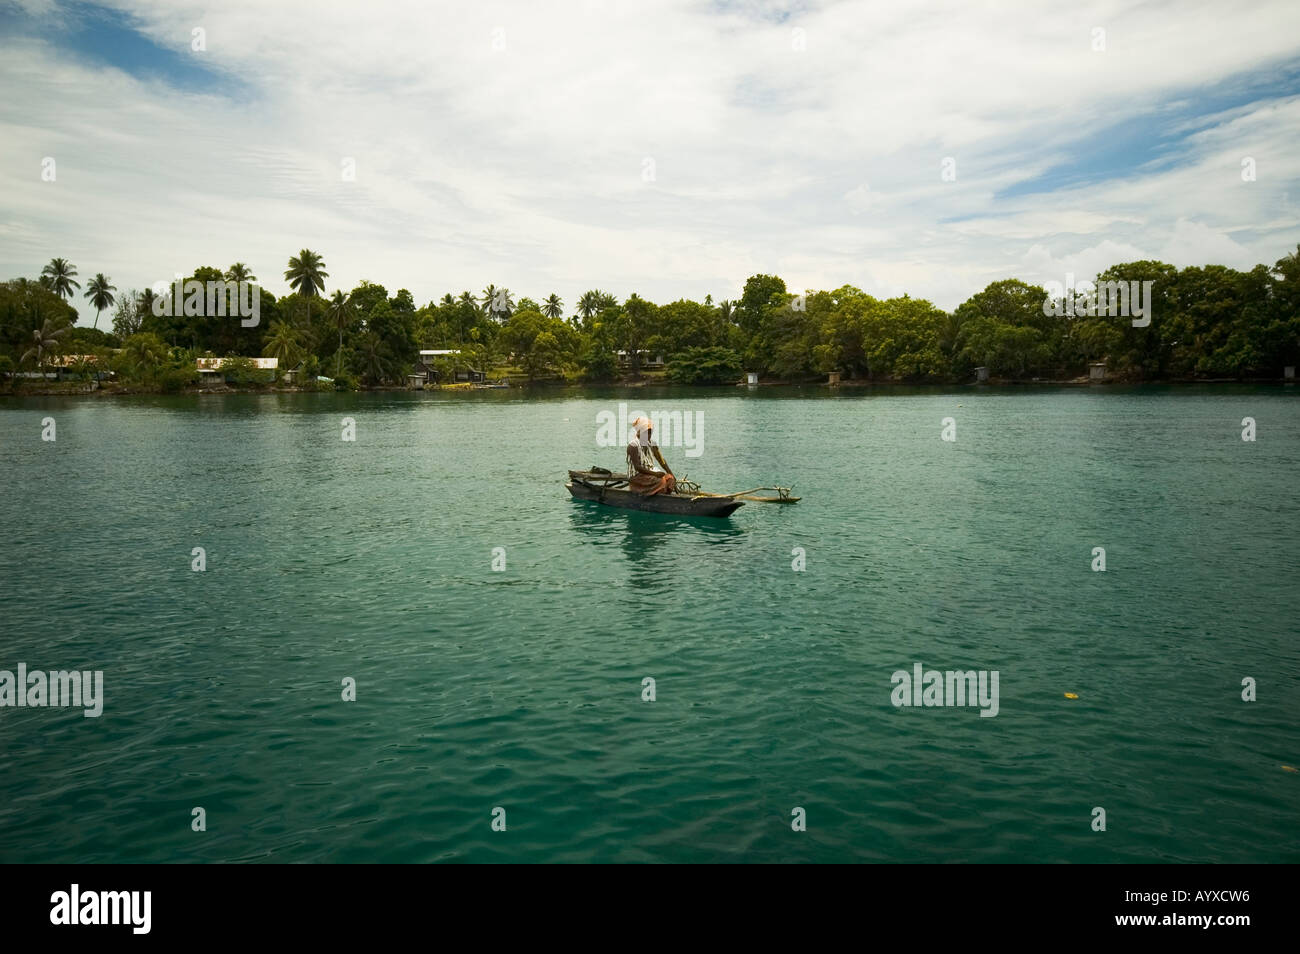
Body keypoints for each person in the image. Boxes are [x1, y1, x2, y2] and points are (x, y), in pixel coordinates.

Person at [626, 416, 677, 495]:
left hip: (650, 475)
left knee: (670, 479)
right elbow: (637, 467)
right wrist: (655, 474)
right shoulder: (633, 446)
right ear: (639, 432)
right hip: (637, 477)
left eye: (650, 432)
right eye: (646, 432)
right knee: (661, 481)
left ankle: (662, 494)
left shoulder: (652, 444)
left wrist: (671, 474)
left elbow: (661, 460)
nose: (648, 435)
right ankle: (654, 493)